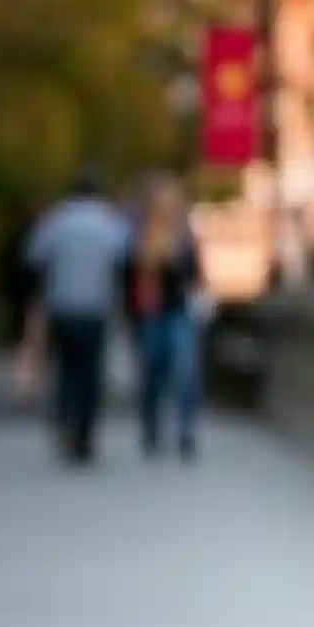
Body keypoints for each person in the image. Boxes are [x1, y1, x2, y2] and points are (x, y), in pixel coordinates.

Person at [24, 165, 129, 465]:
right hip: (95, 307)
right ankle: (85, 434)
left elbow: (34, 257)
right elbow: (125, 257)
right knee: (90, 373)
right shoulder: (109, 222)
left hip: (62, 305)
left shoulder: (57, 220)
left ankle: (65, 419)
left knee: (66, 369)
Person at [122, 174, 204, 461]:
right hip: (151, 314)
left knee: (185, 372)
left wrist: (176, 262)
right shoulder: (138, 238)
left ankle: (185, 431)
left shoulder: (185, 239)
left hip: (179, 310)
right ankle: (151, 427)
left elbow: (196, 277)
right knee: (153, 373)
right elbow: (127, 280)